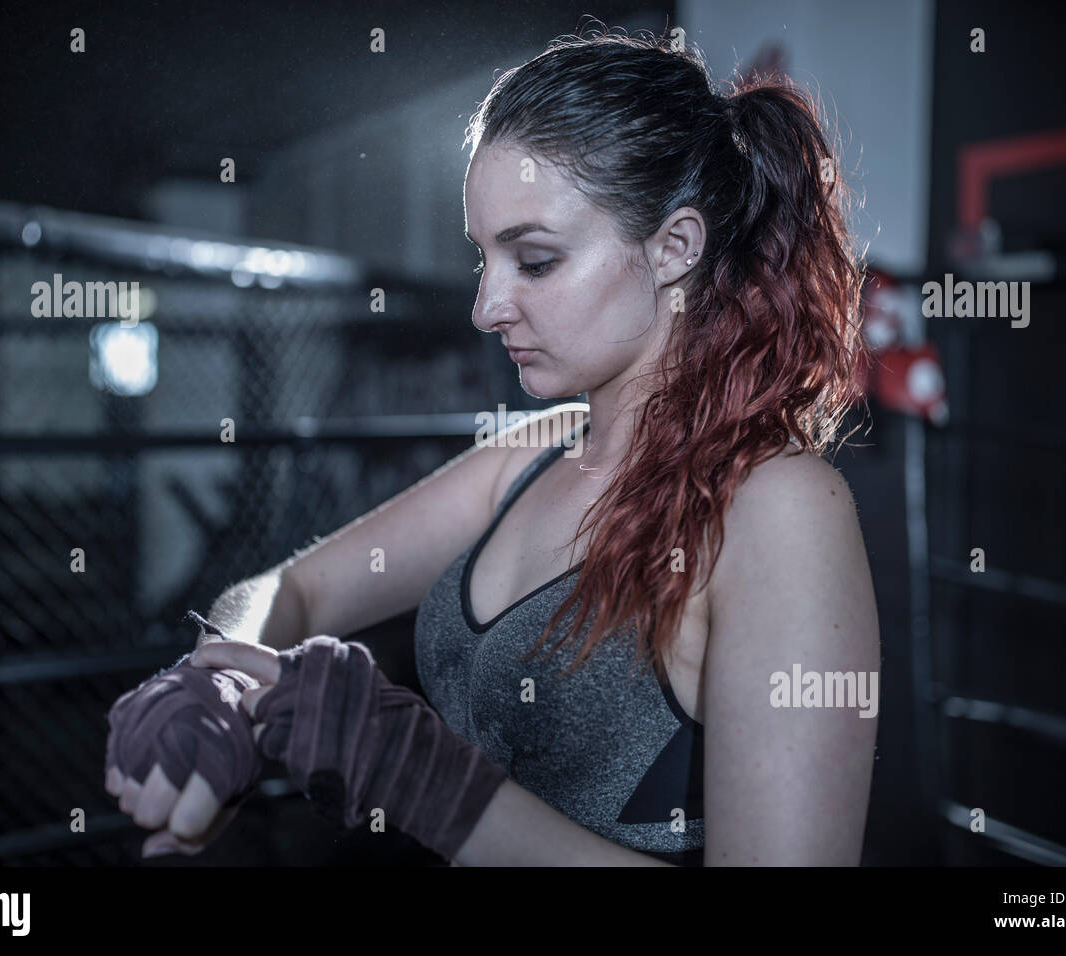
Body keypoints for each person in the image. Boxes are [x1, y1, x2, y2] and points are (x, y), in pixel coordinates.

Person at [104, 27, 880, 867]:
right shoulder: (533, 455)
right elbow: (293, 589)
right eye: (484, 259)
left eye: (535, 261)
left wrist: (421, 778)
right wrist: (217, 682)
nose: (486, 308)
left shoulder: (780, 506)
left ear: (675, 249)